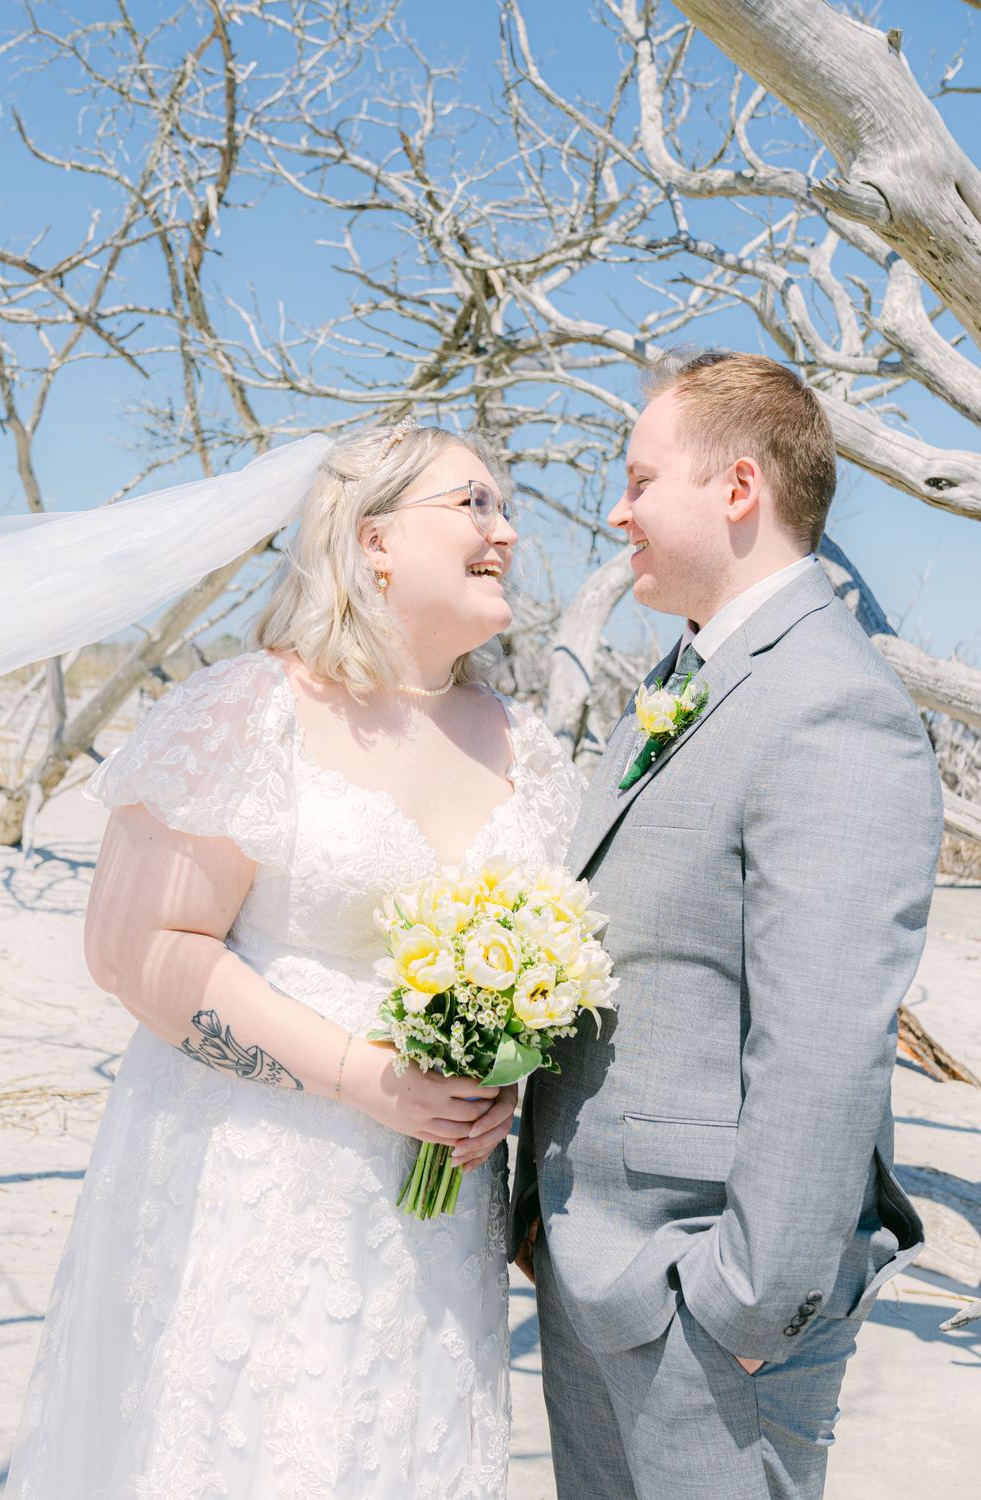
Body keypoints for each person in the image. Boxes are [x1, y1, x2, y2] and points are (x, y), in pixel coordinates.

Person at [4, 420, 583, 1499]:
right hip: (256, 1195)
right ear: (370, 539)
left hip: (439, 1221)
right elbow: (137, 953)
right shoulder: (249, 714)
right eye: (472, 505)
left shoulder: (530, 750)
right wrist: (366, 1078)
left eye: (504, 509)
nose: (505, 530)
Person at [510, 352, 944, 1500]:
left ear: (738, 489)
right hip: (594, 1265)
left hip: (700, 1299)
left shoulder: (832, 705)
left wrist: (748, 1303)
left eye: (641, 479)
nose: (617, 510)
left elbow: (822, 1040)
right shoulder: (691, 672)